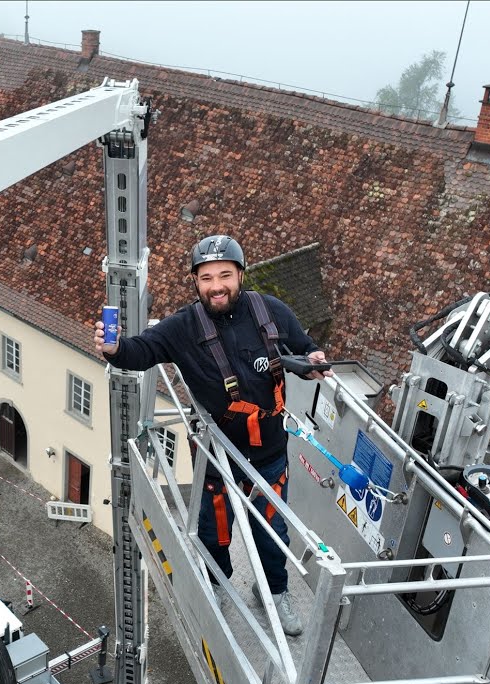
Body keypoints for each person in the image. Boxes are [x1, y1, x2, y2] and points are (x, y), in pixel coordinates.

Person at [94, 235, 330, 636]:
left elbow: (305, 349)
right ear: (196, 282)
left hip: (270, 451)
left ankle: (273, 591)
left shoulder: (271, 312)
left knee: (272, 529)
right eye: (206, 278)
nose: (216, 285)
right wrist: (114, 349)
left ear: (240, 275)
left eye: (225, 275)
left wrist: (313, 361)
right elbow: (141, 353)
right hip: (217, 453)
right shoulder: (183, 329)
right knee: (214, 527)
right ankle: (218, 584)